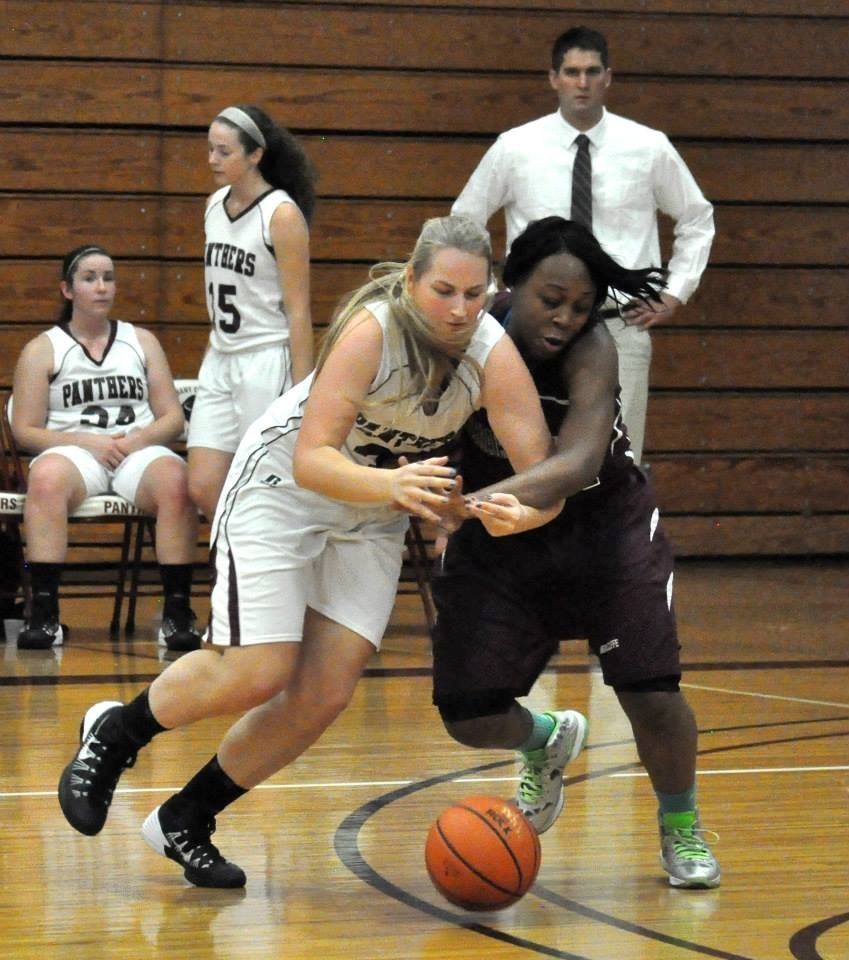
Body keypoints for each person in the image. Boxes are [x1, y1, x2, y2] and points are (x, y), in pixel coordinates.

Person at [57, 216, 561, 888]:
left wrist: (518, 513)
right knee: (259, 669)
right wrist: (394, 483)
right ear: (412, 282)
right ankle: (115, 734)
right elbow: (310, 461)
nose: (460, 309)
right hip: (284, 488)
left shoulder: (491, 355)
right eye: (443, 290)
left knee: (323, 693)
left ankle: (186, 818)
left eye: (475, 293)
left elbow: (544, 480)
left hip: (374, 513)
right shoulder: (371, 332)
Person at [431, 216, 721, 889]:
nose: (564, 318)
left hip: (604, 531)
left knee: (649, 692)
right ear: (511, 284)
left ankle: (680, 826)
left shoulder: (592, 350)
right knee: (468, 715)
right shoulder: (467, 336)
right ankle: (546, 738)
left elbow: (578, 460)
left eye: (580, 306)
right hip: (501, 542)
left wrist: (464, 507)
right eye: (550, 300)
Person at [451, 26, 714, 464]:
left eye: (592, 72)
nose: (582, 82)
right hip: (532, 323)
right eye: (572, 72)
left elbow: (696, 217)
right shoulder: (516, 147)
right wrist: (496, 294)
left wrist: (674, 294)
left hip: (619, 320)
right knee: (522, 450)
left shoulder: (648, 148)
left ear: (608, 77)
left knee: (616, 457)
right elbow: (464, 220)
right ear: (553, 78)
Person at [11, 245, 202, 652]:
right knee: (44, 479)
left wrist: (134, 441)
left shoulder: (141, 341)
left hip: (135, 449)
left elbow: (172, 418)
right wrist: (83, 441)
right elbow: (24, 429)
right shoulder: (42, 349)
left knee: (177, 481)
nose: (102, 287)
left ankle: (178, 611)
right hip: (76, 452)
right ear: (67, 290)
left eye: (108, 278)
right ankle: (44, 614)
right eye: (90, 278)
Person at [188, 104, 317, 520]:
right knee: (205, 485)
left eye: (223, 152)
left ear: (255, 154)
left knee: (263, 485)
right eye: (210, 150)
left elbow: (299, 310)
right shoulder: (213, 205)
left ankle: (257, 580)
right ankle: (237, 573)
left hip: (266, 359)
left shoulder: (280, 214)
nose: (212, 160)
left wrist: (303, 392)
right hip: (220, 357)